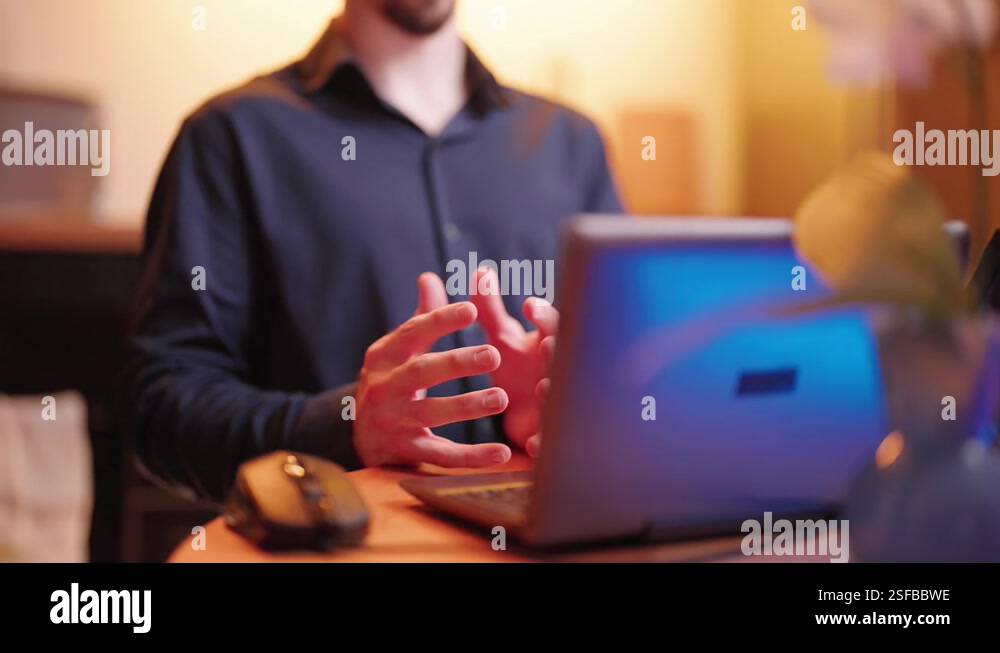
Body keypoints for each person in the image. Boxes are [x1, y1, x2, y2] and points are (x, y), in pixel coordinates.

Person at [123, 0, 621, 501]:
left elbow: (642, 381)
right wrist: (346, 426)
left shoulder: (573, 144)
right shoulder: (231, 136)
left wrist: (567, 414)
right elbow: (160, 411)